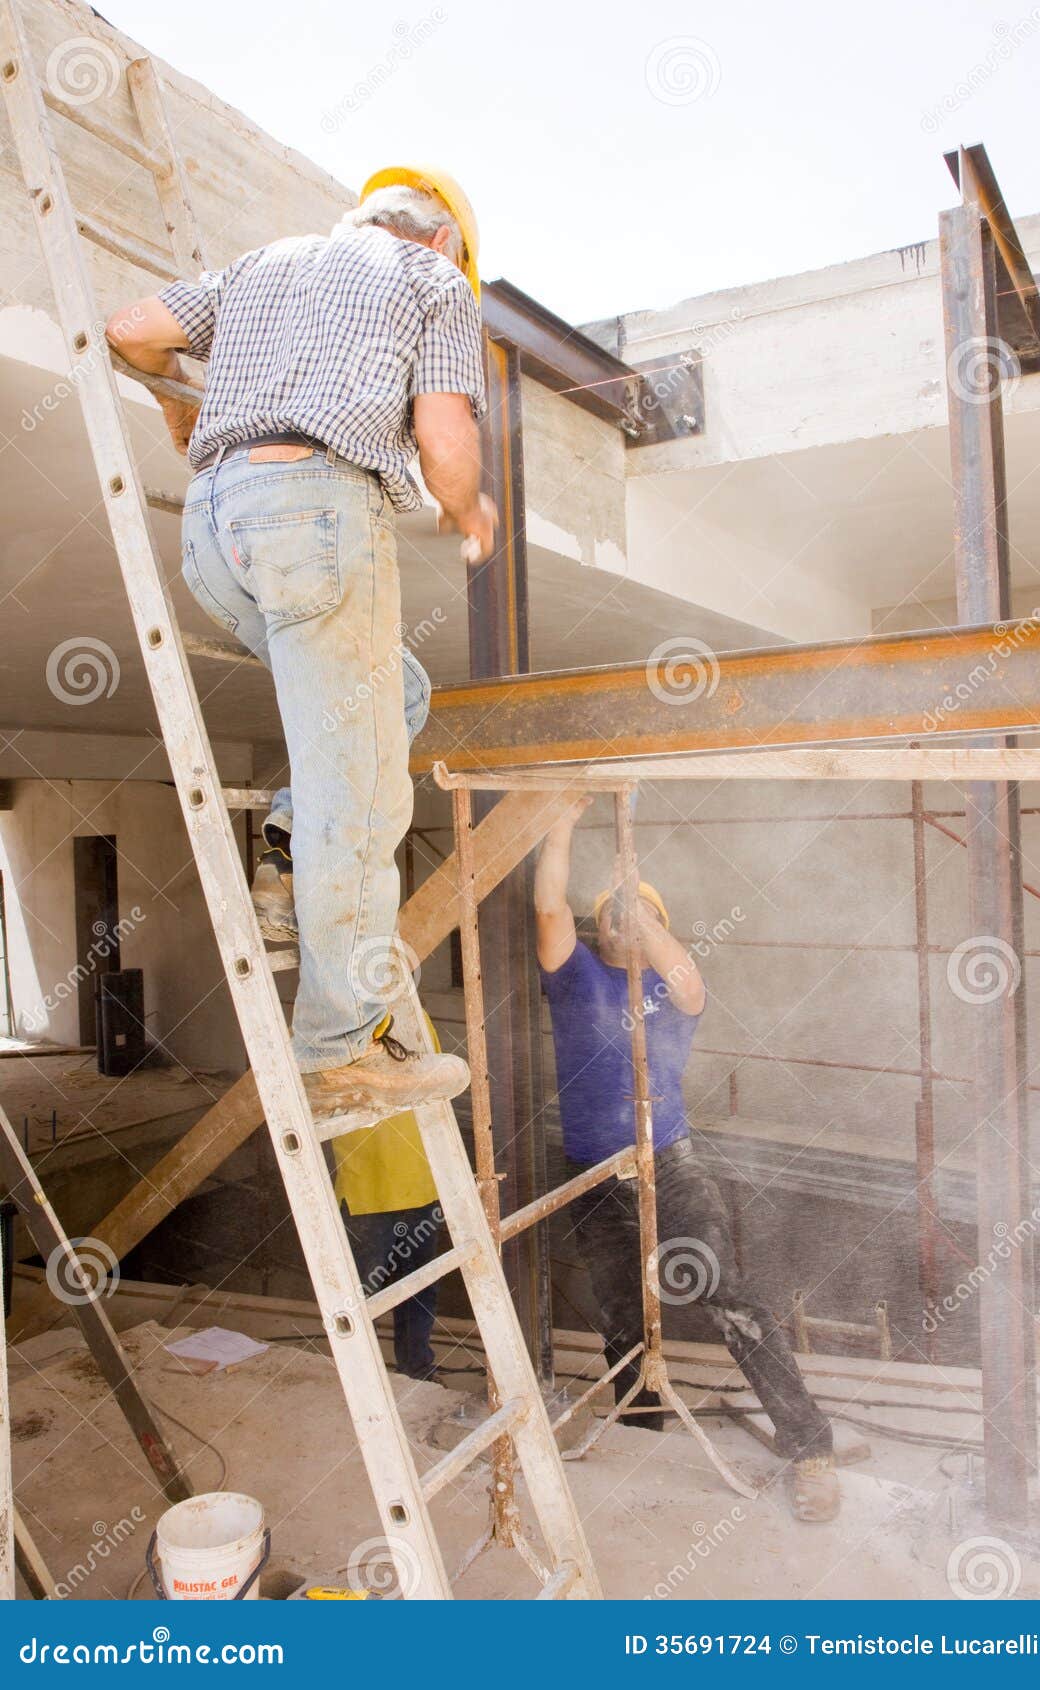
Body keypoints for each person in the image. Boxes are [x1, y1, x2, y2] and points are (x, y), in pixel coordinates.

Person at [107, 167, 495, 1114]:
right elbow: (442, 434)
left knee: (391, 699)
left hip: (216, 535)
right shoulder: (432, 281)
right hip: (315, 516)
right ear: (444, 243)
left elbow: (131, 332)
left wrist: (178, 409)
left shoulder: (263, 263)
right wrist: (469, 505)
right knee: (358, 798)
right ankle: (337, 1053)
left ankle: (283, 852)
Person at [534, 798, 840, 1522]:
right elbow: (549, 906)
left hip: (667, 1162)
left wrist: (642, 918)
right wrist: (560, 823)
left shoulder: (671, 994)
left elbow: (693, 977)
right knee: (621, 1314)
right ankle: (642, 1434)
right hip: (592, 1175)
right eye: (613, 909)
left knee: (726, 1293)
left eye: (642, 911)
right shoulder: (575, 978)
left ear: (659, 925)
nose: (624, 918)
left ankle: (810, 1444)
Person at [333, 1014, 446, 1380]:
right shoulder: (328, 1022)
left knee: (419, 1293)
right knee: (359, 1299)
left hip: (420, 1185)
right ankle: (357, 1381)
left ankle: (418, 1370)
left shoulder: (414, 1016)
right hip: (369, 1192)